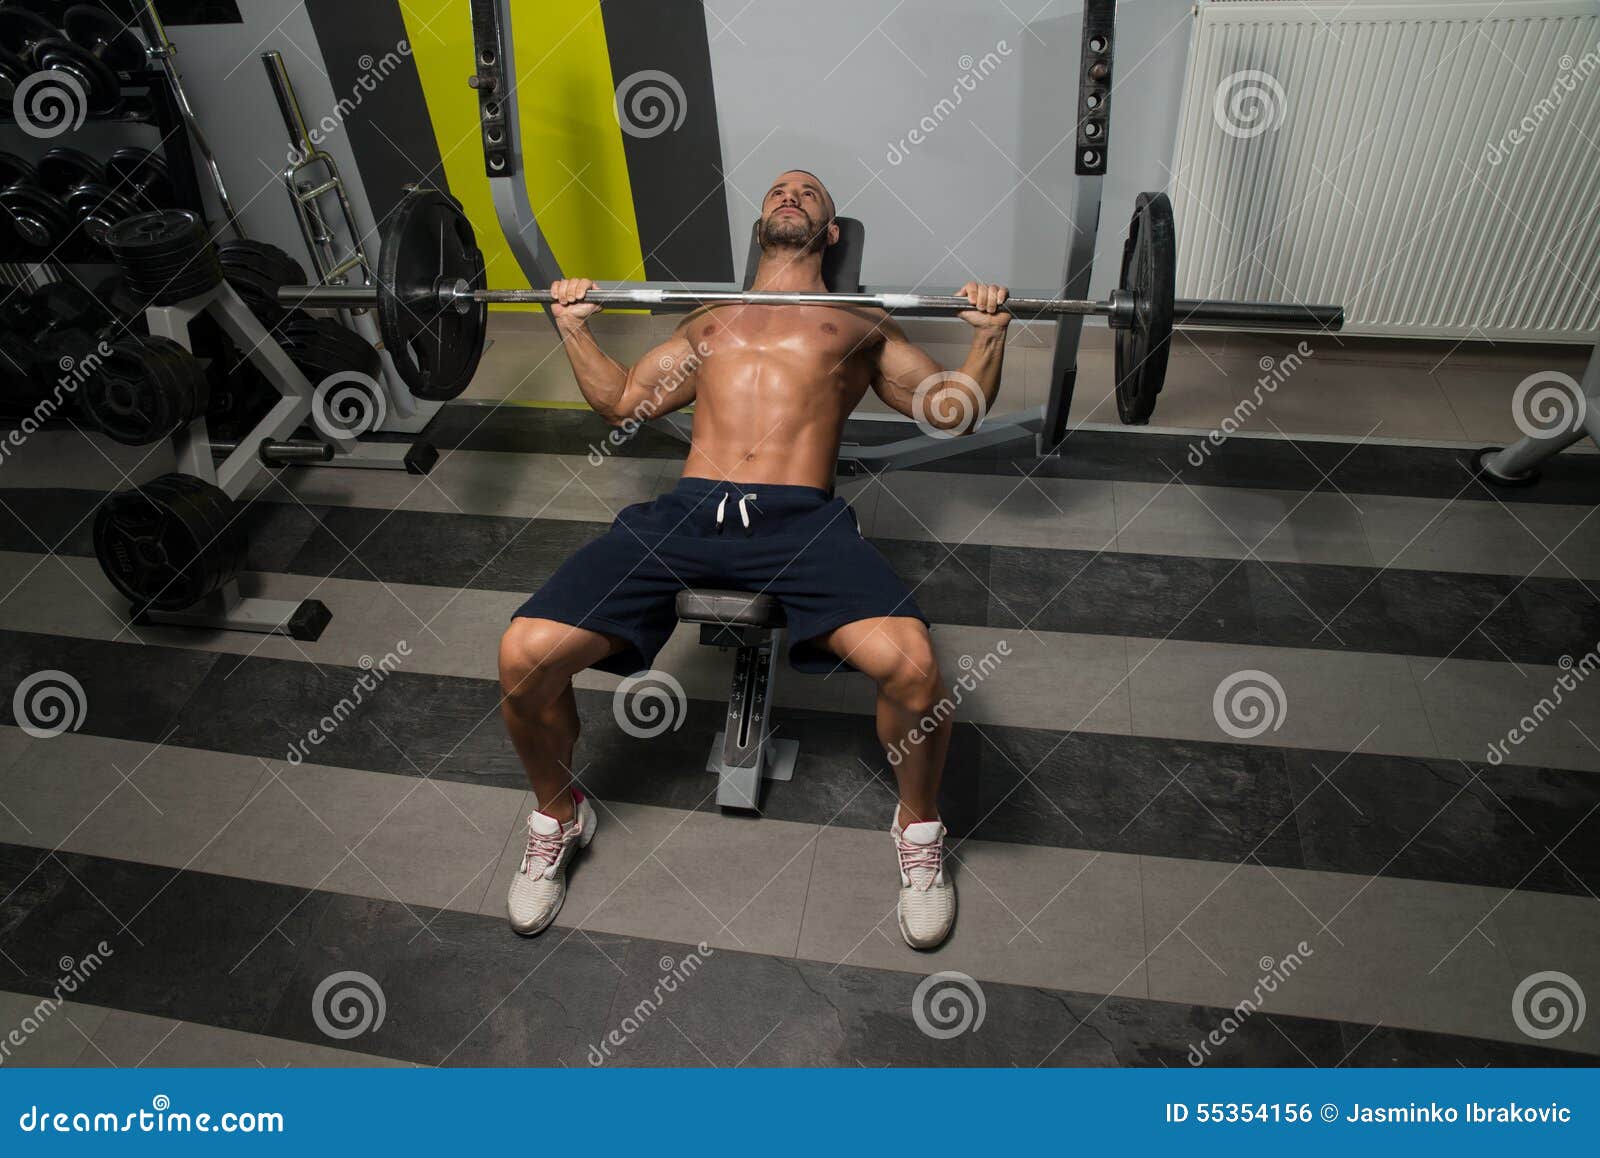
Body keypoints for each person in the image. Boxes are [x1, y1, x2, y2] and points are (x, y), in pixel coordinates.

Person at [498, 169, 1010, 949]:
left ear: (830, 234)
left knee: (913, 669)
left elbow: (952, 409)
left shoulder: (857, 323)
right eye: (780, 189)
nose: (792, 195)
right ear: (763, 221)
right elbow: (625, 399)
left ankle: (919, 831)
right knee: (523, 654)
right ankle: (558, 816)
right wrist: (572, 326)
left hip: (799, 522)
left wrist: (988, 335)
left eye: (810, 192)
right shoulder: (711, 321)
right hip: (688, 512)